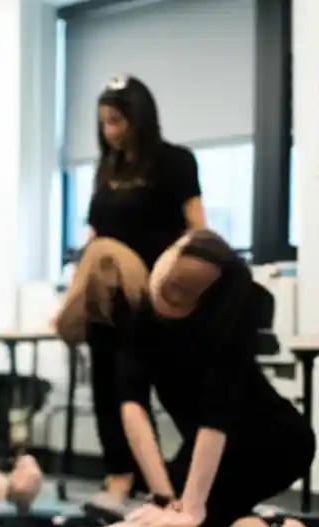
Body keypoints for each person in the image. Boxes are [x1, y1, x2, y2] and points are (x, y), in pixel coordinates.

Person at [117, 230, 314, 527]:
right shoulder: (139, 313)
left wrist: (193, 508)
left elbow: (216, 415)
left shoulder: (229, 320)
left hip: (271, 444)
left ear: (203, 299)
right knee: (155, 522)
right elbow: (132, 404)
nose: (168, 300)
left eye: (183, 295)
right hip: (205, 446)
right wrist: (162, 496)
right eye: (169, 285)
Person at [80, 74, 206, 502]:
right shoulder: (107, 169)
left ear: (139, 117)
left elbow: (197, 229)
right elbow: (94, 233)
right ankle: (120, 470)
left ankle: (182, 475)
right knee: (105, 384)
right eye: (103, 123)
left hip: (156, 295)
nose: (110, 131)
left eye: (117, 121)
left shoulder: (175, 162)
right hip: (107, 299)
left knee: (157, 386)